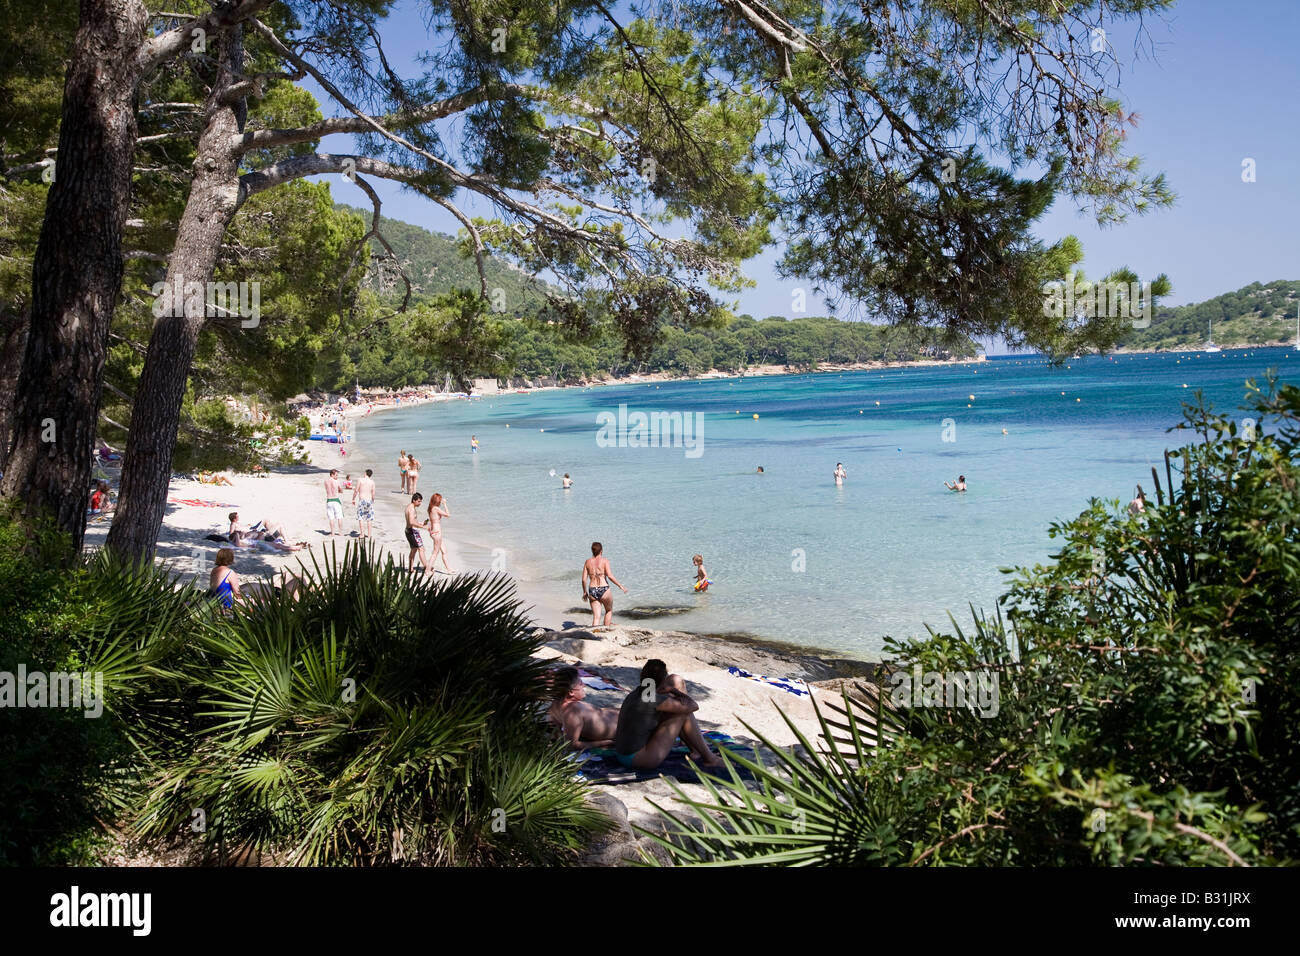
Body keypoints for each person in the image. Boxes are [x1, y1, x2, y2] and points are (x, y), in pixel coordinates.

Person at [612, 660, 723, 770]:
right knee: (683, 713)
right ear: (663, 680)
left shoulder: (636, 693)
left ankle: (696, 751)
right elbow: (694, 706)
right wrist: (675, 691)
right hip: (637, 759)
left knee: (676, 711)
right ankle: (710, 759)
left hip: (621, 755)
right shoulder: (655, 699)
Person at [547, 667, 620, 750]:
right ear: (571, 692)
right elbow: (572, 745)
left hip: (618, 717)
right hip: (623, 725)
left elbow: (557, 730)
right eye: (581, 683)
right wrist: (605, 742)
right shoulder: (572, 712)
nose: (584, 685)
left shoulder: (555, 705)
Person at [582, 541, 627, 628]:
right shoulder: (605, 561)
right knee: (608, 610)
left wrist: (584, 592)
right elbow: (610, 576)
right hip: (604, 589)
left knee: (596, 617)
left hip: (592, 590)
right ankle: (606, 629)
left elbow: (584, 580)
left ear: (592, 551)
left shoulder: (587, 562)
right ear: (601, 551)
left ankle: (594, 632)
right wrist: (620, 586)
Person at [404, 493, 433, 573]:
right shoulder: (411, 509)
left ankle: (410, 568)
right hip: (412, 531)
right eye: (419, 501)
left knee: (414, 550)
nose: (420, 503)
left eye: (421, 501)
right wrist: (423, 527)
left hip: (408, 530)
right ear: (414, 500)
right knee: (421, 549)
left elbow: (411, 521)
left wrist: (420, 523)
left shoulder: (409, 507)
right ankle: (427, 567)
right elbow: (411, 522)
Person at [426, 492, 454, 573]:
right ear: (437, 501)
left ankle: (449, 569)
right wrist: (445, 504)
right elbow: (448, 515)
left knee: (444, 551)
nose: (440, 502)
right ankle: (427, 570)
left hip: (433, 532)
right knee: (435, 553)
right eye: (440, 500)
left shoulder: (430, 508)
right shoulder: (436, 508)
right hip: (437, 532)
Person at [353, 468, 376, 538]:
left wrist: (353, 499)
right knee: (369, 518)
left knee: (361, 517)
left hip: (362, 500)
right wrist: (373, 500)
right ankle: (369, 535)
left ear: (365, 473)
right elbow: (373, 493)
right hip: (369, 501)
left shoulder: (360, 480)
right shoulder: (372, 482)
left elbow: (356, 490)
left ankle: (362, 534)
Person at [325, 469, 345, 535]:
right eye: (336, 475)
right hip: (336, 500)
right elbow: (341, 490)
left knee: (331, 518)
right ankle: (340, 532)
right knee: (339, 517)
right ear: (332, 474)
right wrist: (339, 490)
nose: (337, 476)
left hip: (329, 500)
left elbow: (328, 489)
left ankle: (332, 533)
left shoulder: (326, 481)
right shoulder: (337, 481)